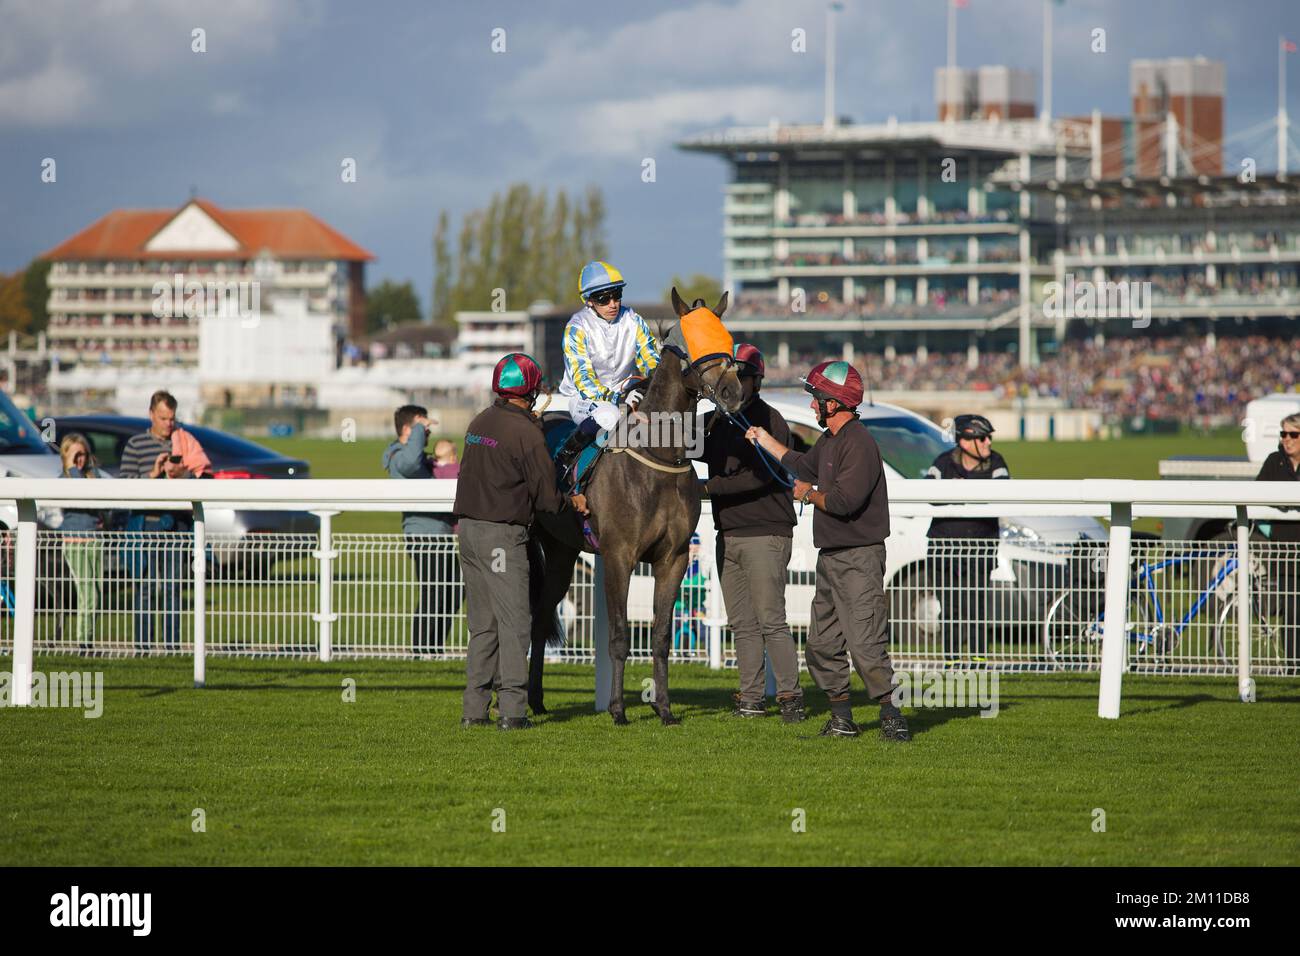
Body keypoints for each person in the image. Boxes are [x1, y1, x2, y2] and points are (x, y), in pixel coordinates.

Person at [746, 360, 910, 742]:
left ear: (833, 403)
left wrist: (807, 493)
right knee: (821, 644)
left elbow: (842, 502)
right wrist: (764, 441)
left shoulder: (860, 443)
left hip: (859, 558)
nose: (811, 406)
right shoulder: (830, 441)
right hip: (831, 557)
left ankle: (891, 715)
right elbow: (802, 464)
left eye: (815, 399)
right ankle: (842, 719)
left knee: (865, 643)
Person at [453, 353, 588, 731]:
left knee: (483, 624)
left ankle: (473, 710)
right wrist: (574, 501)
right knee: (515, 622)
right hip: (501, 536)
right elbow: (547, 498)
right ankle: (513, 710)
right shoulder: (527, 432)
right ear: (529, 390)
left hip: (469, 531)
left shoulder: (480, 422)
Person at [702, 343, 805, 722]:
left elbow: (763, 475)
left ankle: (791, 697)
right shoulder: (718, 419)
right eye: (729, 378)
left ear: (755, 380)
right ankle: (751, 698)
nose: (733, 384)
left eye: (741, 377)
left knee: (769, 620)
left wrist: (708, 489)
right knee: (742, 623)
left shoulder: (770, 420)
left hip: (766, 532)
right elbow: (683, 443)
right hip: (727, 533)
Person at [553, 260, 661, 475]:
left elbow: (651, 360)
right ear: (589, 301)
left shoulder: (634, 320)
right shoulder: (576, 328)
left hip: (627, 394)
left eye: (616, 295)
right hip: (584, 399)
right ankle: (565, 457)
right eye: (603, 299)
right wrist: (618, 400)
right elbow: (584, 381)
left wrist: (658, 381)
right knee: (609, 415)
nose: (613, 304)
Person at [119, 390, 203, 652]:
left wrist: (183, 474)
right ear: (151, 414)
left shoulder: (184, 442)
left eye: (172, 419)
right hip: (145, 524)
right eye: (164, 418)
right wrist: (153, 474)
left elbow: (202, 478)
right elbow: (125, 486)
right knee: (143, 589)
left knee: (171, 589)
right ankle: (143, 647)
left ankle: (171, 648)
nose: (169, 424)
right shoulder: (135, 445)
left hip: (175, 524)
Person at [925, 413, 1009, 668]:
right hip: (943, 549)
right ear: (964, 441)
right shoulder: (942, 462)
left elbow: (1002, 492)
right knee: (950, 608)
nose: (988, 443)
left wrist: (958, 490)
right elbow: (929, 493)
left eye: (989, 438)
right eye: (982, 438)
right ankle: (951, 661)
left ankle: (978, 661)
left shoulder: (997, 462)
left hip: (980, 547)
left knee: (976, 607)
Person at [382, 405, 461, 655]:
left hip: (440, 533)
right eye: (422, 428)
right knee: (433, 591)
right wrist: (418, 429)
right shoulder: (399, 457)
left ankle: (433, 648)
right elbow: (410, 462)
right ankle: (423, 651)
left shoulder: (417, 459)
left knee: (453, 590)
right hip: (424, 535)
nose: (427, 433)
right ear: (408, 429)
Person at [1255, 412, 1300, 674]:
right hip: (1283, 550)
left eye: (1293, 434)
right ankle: (1293, 666)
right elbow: (1258, 493)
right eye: (1283, 434)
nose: (1287, 440)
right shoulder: (1274, 462)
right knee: (1291, 609)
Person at [57, 434, 108, 653]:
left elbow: (102, 502)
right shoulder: (64, 479)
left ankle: (88, 639)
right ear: (66, 456)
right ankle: (83, 642)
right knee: (87, 592)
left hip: (94, 540)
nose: (80, 459)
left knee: (97, 591)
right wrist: (73, 470)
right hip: (75, 541)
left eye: (83, 454)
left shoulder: (94, 475)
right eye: (76, 455)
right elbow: (79, 495)